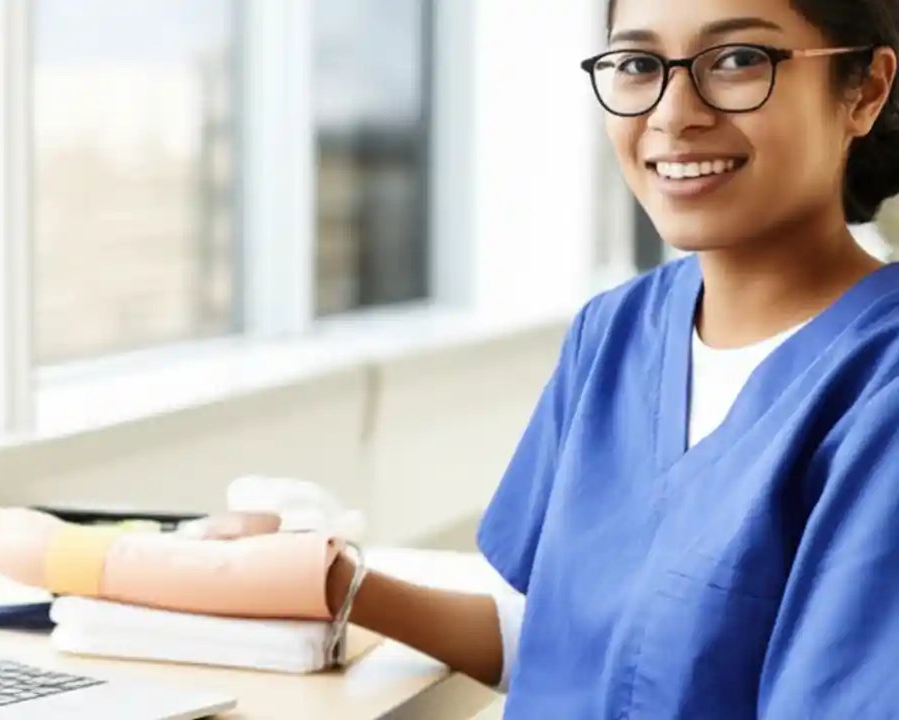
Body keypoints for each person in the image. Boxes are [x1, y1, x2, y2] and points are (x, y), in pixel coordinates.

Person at [300, 0, 899, 716]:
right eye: (640, 64)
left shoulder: (878, 391)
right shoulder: (613, 333)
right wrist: (327, 580)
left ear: (864, 89)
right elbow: (566, 641)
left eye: (739, 60)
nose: (674, 114)